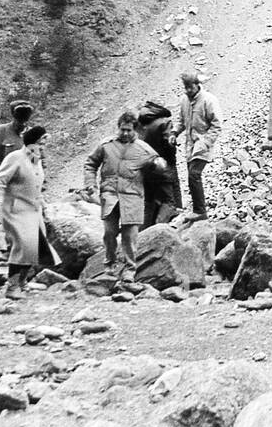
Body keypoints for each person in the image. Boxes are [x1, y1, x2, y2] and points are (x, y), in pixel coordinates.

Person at [83, 110, 166, 281]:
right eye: (122, 129)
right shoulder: (106, 145)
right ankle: (109, 265)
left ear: (135, 130)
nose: (125, 133)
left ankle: (129, 270)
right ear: (118, 128)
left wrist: (158, 166)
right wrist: (90, 184)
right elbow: (90, 163)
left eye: (129, 130)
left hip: (133, 197)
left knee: (130, 236)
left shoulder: (144, 149)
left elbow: (161, 167)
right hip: (110, 195)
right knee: (109, 232)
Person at [0, 126, 60, 299]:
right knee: (23, 246)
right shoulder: (15, 158)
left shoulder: (36, 160)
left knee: (34, 247)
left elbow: (36, 186)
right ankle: (11, 287)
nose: (44, 146)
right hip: (15, 210)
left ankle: (22, 282)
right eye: (42, 142)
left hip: (32, 210)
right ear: (32, 142)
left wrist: (43, 204)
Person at [170, 73, 221, 222]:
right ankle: (197, 210)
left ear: (197, 85)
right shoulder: (184, 100)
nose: (187, 91)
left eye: (190, 87)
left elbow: (217, 125)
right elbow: (181, 121)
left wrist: (205, 142)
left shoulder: (209, 100)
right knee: (191, 176)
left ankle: (200, 211)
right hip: (190, 146)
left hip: (203, 144)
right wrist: (174, 132)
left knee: (194, 174)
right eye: (185, 88)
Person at [137, 101, 182, 228]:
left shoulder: (141, 123)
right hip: (163, 167)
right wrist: (172, 156)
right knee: (170, 202)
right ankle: (166, 230)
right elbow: (169, 142)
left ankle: (143, 233)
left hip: (145, 168)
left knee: (149, 202)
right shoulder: (165, 122)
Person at [0, 100, 34, 171]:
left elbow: (37, 157)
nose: (23, 122)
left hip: (26, 176)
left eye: (26, 115)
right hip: (6, 178)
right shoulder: (0, 130)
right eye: (19, 116)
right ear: (13, 115)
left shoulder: (33, 133)